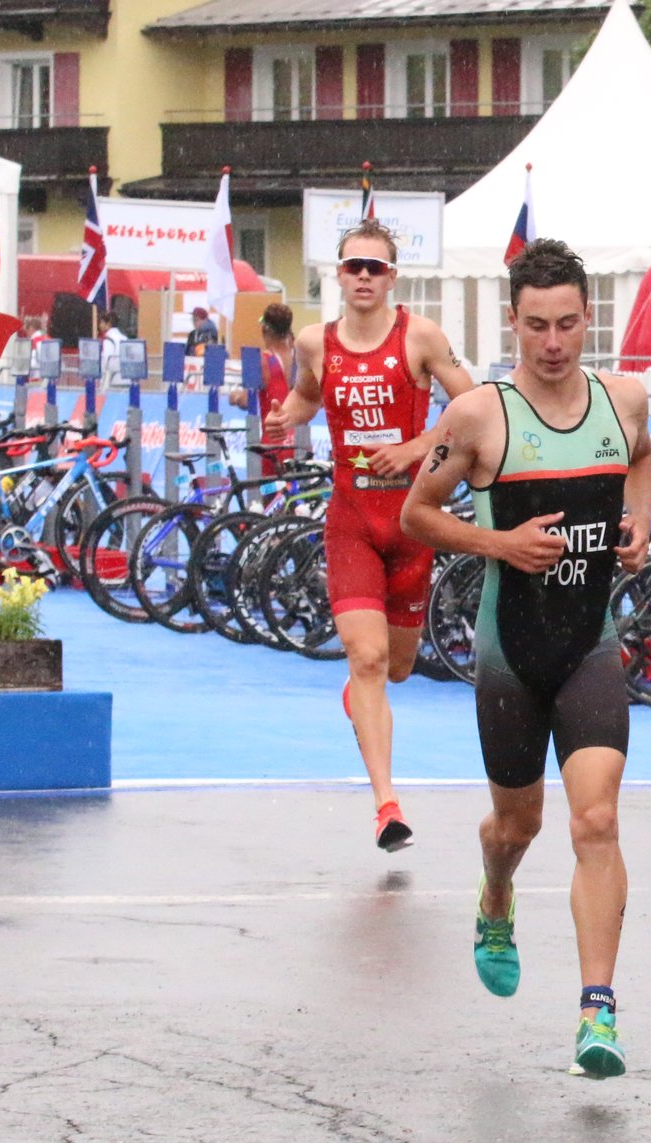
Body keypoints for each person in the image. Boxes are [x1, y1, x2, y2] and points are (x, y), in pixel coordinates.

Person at [400, 239, 651, 1079]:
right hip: (511, 652)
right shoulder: (480, 415)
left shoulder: (625, 402)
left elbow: (643, 458)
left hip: (589, 644)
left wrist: (640, 521)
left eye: (569, 324)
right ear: (513, 321)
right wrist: (498, 542)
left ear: (590, 320)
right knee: (520, 824)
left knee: (597, 819)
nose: (553, 342)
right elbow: (417, 513)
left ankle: (598, 1011)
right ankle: (497, 891)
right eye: (537, 325)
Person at [265, 219, 475, 850]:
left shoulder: (422, 338)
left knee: (400, 667)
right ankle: (388, 806)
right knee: (368, 657)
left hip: (413, 521)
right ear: (338, 274)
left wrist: (413, 447)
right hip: (351, 520)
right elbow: (308, 397)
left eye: (374, 268)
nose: (363, 277)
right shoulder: (314, 341)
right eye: (353, 266)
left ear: (392, 277)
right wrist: (286, 417)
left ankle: (362, 697)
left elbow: (474, 409)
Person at [232, 302, 299, 475]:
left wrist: (235, 397)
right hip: (298, 439)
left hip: (273, 440)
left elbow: (248, 400)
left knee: (267, 496)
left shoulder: (263, 359)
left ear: (266, 330)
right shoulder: (299, 356)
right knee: (296, 497)